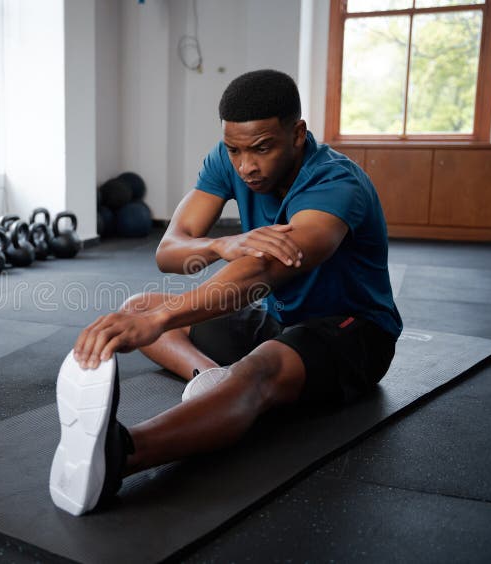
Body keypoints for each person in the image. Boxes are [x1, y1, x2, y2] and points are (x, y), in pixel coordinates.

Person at [48, 69, 403, 516]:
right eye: (235, 149)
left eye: (262, 148)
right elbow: (169, 251)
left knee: (254, 365)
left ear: (297, 133)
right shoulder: (228, 159)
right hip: (278, 320)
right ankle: (210, 379)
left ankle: (119, 454)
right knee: (140, 304)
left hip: (352, 333)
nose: (245, 166)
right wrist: (218, 243)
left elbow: (263, 272)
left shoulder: (335, 183)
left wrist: (160, 321)